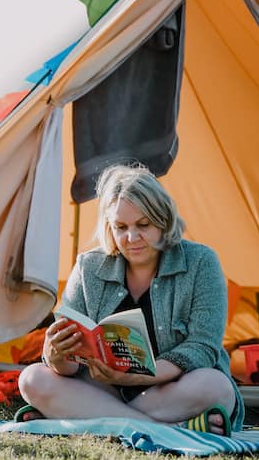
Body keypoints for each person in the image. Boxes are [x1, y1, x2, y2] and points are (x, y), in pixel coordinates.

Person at [18, 164, 245, 435]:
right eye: (120, 227)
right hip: (104, 389)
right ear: (109, 227)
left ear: (163, 220)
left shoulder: (201, 262)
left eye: (143, 225)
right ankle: (170, 430)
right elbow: (66, 365)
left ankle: (82, 418)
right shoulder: (88, 267)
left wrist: (134, 376)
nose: (132, 237)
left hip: (171, 390)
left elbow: (203, 347)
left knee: (216, 386)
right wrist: (55, 355)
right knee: (32, 379)